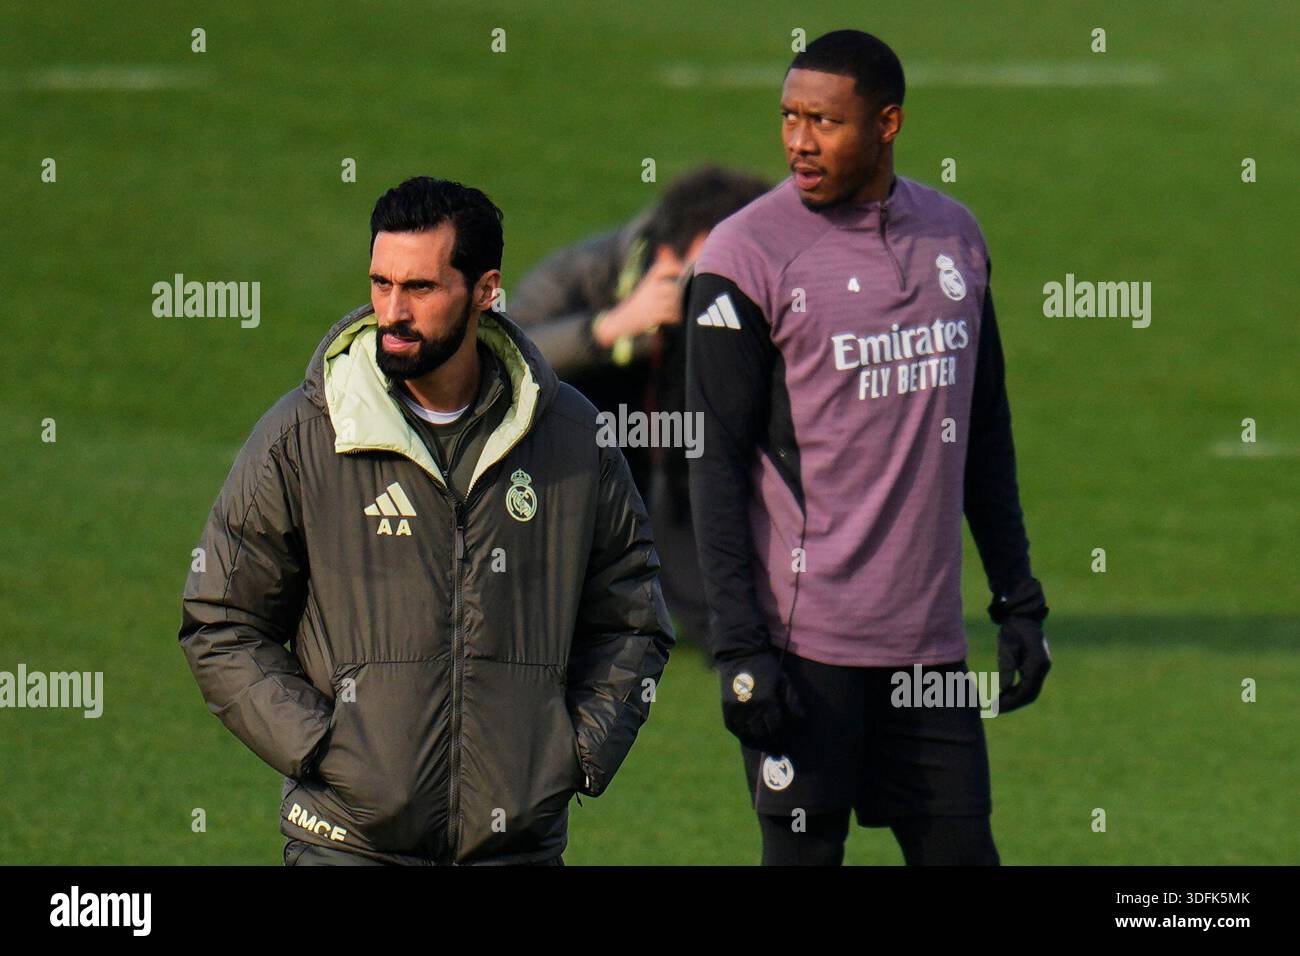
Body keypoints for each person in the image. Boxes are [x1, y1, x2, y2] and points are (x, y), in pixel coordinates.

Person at [179, 176, 674, 866]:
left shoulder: (569, 438)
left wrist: (575, 750)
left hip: (514, 849)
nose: (392, 310)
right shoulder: (304, 436)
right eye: (381, 283)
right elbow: (221, 620)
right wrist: (324, 749)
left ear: (484, 290)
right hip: (349, 846)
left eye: (419, 288)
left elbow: (633, 614)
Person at [685, 30, 1050, 866]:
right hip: (804, 653)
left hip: (929, 651)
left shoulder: (955, 239)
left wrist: (1018, 600)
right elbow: (714, 464)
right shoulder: (746, 257)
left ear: (888, 125)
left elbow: (984, 432)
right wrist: (739, 647)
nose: (798, 142)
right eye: (789, 117)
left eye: (825, 121)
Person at [510, 166, 768, 646]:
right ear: (670, 257)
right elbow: (501, 359)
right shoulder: (586, 271)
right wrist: (609, 328)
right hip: (597, 433)